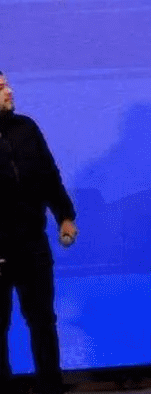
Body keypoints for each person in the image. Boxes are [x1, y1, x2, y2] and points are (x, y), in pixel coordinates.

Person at [0, 71, 77, 394]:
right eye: (0, 87)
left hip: (32, 242)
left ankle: (51, 386)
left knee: (43, 321)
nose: (9, 91)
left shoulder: (26, 128)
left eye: (6, 84)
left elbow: (49, 174)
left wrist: (65, 215)